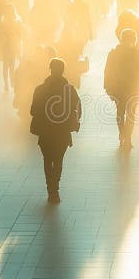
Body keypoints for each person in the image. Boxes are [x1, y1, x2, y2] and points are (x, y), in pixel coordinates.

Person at [30, 58, 82, 203]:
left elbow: (33, 111)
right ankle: (55, 188)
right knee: (58, 160)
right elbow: (78, 108)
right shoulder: (69, 90)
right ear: (63, 70)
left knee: (47, 160)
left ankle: (50, 189)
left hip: (45, 132)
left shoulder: (40, 89)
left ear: (50, 69)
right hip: (62, 132)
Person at [104, 29, 139, 150]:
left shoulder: (114, 53)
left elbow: (107, 71)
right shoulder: (137, 54)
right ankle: (127, 138)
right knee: (130, 114)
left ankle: (123, 135)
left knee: (121, 113)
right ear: (134, 40)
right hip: (132, 89)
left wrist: (107, 87)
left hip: (119, 89)